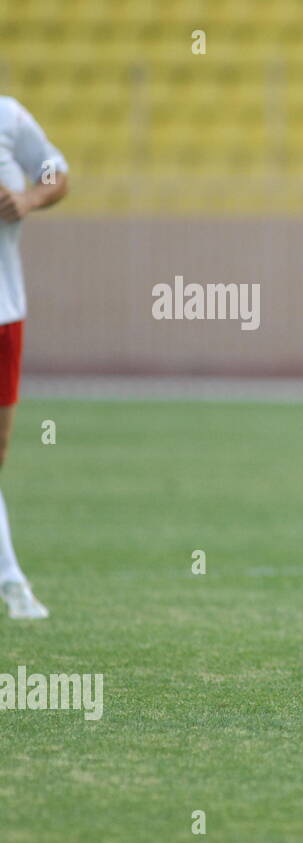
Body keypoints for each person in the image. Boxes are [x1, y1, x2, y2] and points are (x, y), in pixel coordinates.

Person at [0, 95, 69, 619]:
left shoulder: (8, 116)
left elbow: (56, 173)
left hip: (4, 311)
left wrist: (27, 200)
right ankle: (13, 583)